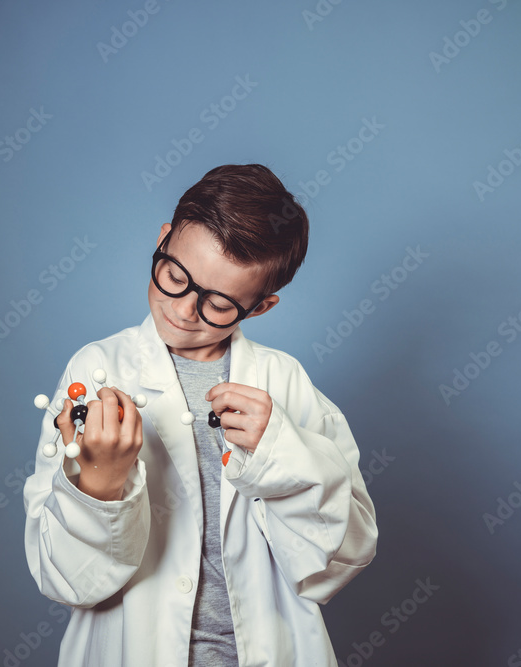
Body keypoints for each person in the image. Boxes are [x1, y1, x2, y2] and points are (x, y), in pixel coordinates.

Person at [23, 163, 378, 666]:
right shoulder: (98, 371)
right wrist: (99, 484)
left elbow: (339, 563)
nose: (185, 310)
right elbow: (67, 580)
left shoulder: (286, 383)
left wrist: (281, 454)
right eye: (175, 276)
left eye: (217, 303)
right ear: (164, 239)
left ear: (259, 308)